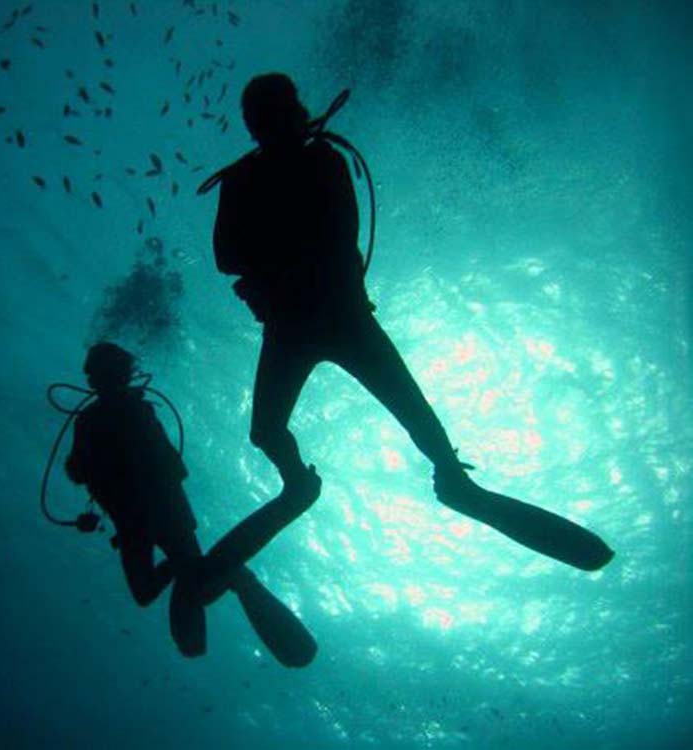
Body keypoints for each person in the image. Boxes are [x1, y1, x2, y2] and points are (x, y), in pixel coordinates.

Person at [204, 72, 613, 571]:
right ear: (257, 123)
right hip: (309, 321)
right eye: (261, 115)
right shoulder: (248, 179)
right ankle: (302, 484)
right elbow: (227, 257)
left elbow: (330, 236)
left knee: (400, 408)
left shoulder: (316, 162)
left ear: (289, 112)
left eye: (274, 111)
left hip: (334, 316)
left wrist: (272, 260)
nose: (269, 122)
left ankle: (453, 481)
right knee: (270, 431)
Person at [64, 341, 317, 666]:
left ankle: (232, 572)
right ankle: (229, 572)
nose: (99, 379)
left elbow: (87, 470)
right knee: (161, 595)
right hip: (141, 518)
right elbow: (88, 470)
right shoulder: (102, 418)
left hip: (158, 514)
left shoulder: (126, 413)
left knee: (190, 617)